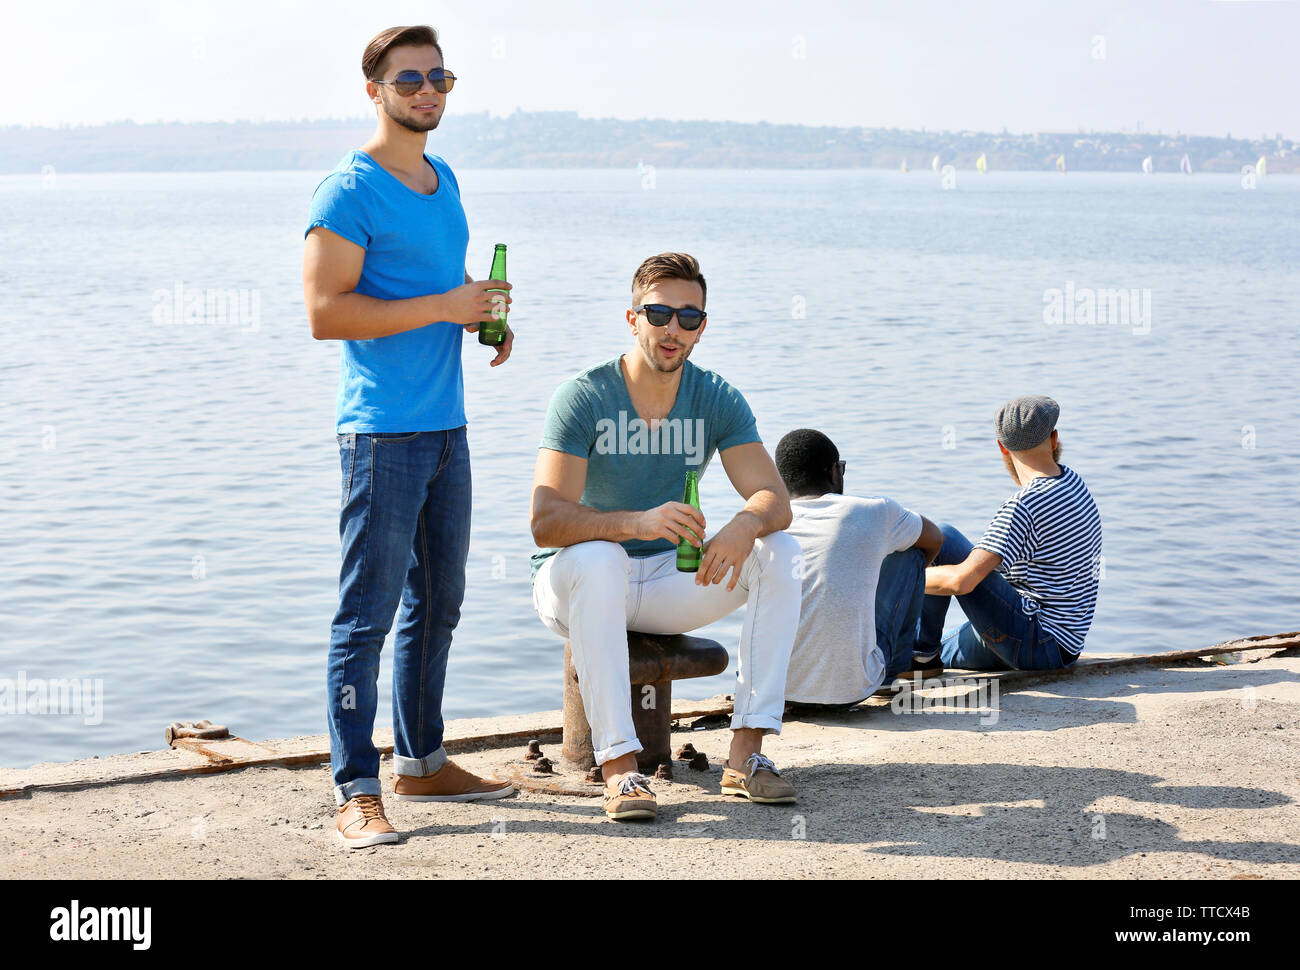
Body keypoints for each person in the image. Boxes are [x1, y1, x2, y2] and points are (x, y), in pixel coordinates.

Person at [302, 24, 516, 848]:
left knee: (440, 604)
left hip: (446, 429)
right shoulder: (345, 191)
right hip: (381, 437)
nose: (428, 90)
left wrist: (481, 315)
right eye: (410, 79)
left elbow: (438, 289)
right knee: (367, 615)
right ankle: (356, 788)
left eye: (440, 77)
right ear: (375, 90)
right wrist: (444, 308)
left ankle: (421, 760)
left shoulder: (443, 176)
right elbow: (327, 314)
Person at [530, 253, 803, 821]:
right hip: (574, 581)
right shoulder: (584, 396)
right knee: (602, 557)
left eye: (689, 317)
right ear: (632, 319)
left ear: (703, 327)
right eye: (658, 313)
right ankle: (621, 770)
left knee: (779, 551)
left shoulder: (716, 398)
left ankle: (747, 755)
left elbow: (774, 498)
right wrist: (636, 522)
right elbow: (547, 521)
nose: (673, 329)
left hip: (663, 583)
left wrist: (743, 524)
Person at [915, 395, 1102, 672]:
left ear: (1002, 447)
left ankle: (919, 657)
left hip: (1035, 642)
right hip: (1064, 647)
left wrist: (903, 578)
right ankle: (921, 655)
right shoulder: (1073, 482)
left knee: (941, 539)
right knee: (942, 649)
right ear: (1054, 439)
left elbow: (961, 582)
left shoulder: (1024, 505)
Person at [774, 429, 944, 706]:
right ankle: (891, 675)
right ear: (833, 473)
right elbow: (935, 539)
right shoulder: (875, 510)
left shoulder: (764, 524)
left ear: (782, 481)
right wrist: (896, 581)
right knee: (910, 553)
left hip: (776, 691)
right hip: (852, 690)